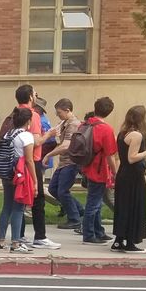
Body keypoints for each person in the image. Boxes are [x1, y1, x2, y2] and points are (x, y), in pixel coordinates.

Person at [14, 85, 61, 249]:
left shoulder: (15, 112)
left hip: (17, 161)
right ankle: (40, 236)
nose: (37, 96)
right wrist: (49, 134)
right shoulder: (32, 115)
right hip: (31, 160)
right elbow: (34, 141)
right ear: (30, 97)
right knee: (38, 198)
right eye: (35, 94)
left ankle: (18, 235)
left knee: (19, 200)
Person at [111, 105, 146, 253]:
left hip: (123, 174)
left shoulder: (122, 133)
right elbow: (132, 158)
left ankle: (119, 241)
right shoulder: (136, 135)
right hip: (132, 176)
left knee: (123, 207)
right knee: (134, 207)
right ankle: (130, 242)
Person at [0, 107, 38, 253]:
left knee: (6, 206)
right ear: (28, 121)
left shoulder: (9, 133)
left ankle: (1, 241)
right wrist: (35, 181)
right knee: (18, 208)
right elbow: (29, 160)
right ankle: (15, 243)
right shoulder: (26, 136)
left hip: (6, 173)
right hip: (20, 175)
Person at [80, 97, 119, 245]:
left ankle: (98, 231)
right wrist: (115, 173)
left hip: (87, 166)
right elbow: (110, 155)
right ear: (109, 112)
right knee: (93, 204)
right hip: (99, 169)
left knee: (96, 202)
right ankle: (89, 235)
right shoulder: (106, 129)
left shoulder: (85, 124)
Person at [47, 99, 85, 232]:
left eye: (59, 113)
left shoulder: (74, 124)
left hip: (71, 162)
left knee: (62, 191)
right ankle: (80, 210)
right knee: (53, 189)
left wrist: (48, 155)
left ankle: (74, 219)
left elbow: (66, 145)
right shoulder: (64, 123)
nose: (58, 115)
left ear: (68, 110)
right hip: (63, 162)